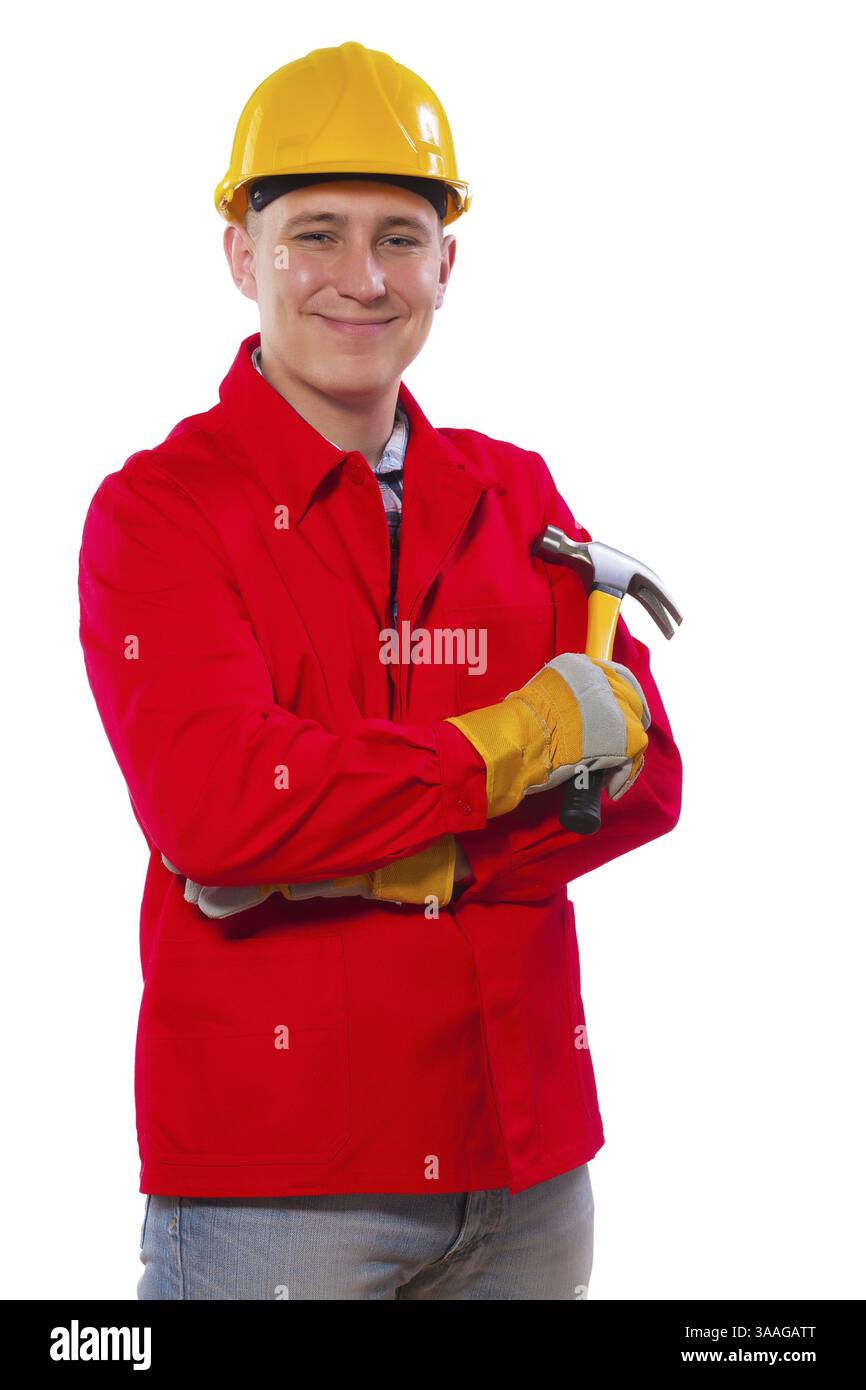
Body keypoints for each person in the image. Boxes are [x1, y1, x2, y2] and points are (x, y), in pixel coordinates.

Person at [78, 40, 683, 1301]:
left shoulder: (515, 496)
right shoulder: (160, 514)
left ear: (447, 264)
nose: (360, 279)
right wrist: (513, 743)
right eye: (315, 234)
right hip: (275, 1190)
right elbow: (219, 808)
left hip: (524, 1173)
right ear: (241, 254)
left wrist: (362, 855)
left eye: (400, 238)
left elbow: (642, 782)